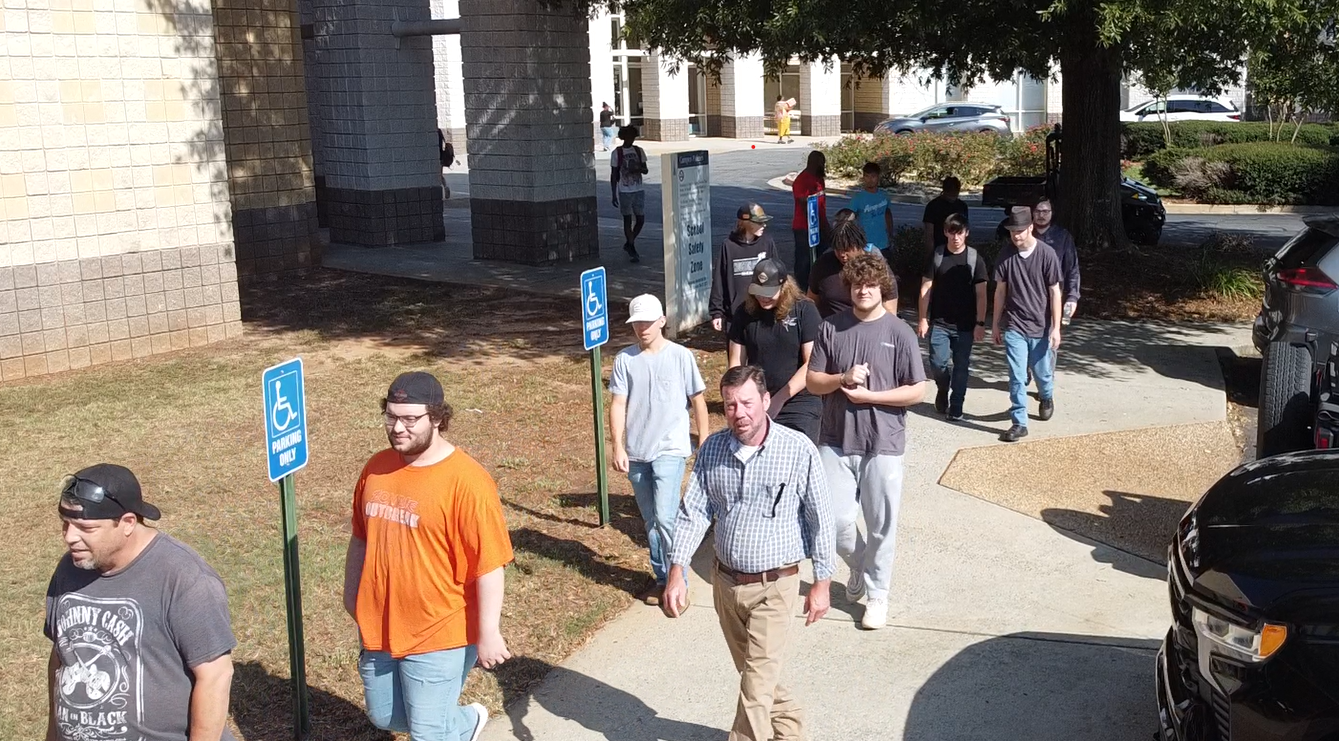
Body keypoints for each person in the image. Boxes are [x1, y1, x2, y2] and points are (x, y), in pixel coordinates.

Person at [663, 365, 835, 741]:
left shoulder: (797, 449)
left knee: (755, 690)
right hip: (725, 585)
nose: (739, 413)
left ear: (766, 401)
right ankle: (790, 733)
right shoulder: (713, 450)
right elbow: (693, 512)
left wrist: (822, 582)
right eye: (729, 405)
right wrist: (678, 571)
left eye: (746, 403)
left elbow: (821, 518)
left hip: (776, 585)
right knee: (758, 676)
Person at [344, 371, 513, 741]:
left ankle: (445, 727)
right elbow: (360, 537)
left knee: (428, 732)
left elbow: (489, 565)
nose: (398, 428)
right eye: (391, 416)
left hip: (441, 627)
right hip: (381, 624)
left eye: (409, 419)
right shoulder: (376, 468)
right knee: (386, 716)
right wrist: (352, 594)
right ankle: (466, 724)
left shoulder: (467, 482)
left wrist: (488, 631)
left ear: (437, 417)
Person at [46, 464, 237, 741]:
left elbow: (216, 676)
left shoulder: (184, 579)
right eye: (65, 524)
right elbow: (60, 656)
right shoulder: (70, 569)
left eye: (85, 527)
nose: (69, 537)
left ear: (127, 523)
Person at [807, 253, 927, 631]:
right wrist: (842, 379)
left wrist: (872, 397)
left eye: (871, 285)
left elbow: (918, 390)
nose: (864, 290)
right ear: (850, 288)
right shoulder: (831, 328)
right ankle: (859, 565)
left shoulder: (899, 332)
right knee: (835, 521)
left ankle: (878, 596)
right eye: (858, 285)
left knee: (881, 525)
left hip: (884, 442)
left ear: (882, 288)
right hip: (836, 439)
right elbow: (812, 382)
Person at [610, 294, 711, 606]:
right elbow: (618, 404)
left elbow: (698, 400)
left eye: (648, 321)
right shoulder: (625, 360)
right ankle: (662, 578)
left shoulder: (681, 356)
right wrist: (617, 446)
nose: (643, 328)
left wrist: (704, 438)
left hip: (671, 449)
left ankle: (679, 581)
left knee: (666, 517)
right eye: (637, 322)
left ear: (662, 321)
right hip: (637, 452)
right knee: (651, 520)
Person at [728, 258, 824, 442]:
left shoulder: (804, 310)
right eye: (758, 292)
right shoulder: (745, 312)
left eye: (769, 293)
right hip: (759, 400)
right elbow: (736, 363)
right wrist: (738, 399)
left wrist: (779, 399)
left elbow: (812, 362)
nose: (763, 298)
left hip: (799, 401)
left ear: (784, 286)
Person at [992, 207, 1063, 443]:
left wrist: (1056, 327)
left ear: (1031, 227)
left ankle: (1046, 395)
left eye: (1021, 230)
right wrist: (995, 324)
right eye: (1012, 231)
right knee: (1017, 374)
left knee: (1043, 374)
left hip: (1041, 326)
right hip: (1015, 325)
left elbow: (1055, 293)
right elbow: (1000, 291)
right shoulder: (1005, 255)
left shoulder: (1047, 254)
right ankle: (1019, 422)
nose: (1017, 236)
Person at [917, 214, 988, 421]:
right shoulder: (937, 255)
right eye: (952, 232)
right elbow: (925, 288)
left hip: (965, 325)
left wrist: (980, 323)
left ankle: (956, 404)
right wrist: (923, 318)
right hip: (939, 323)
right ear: (946, 232)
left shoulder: (975, 259)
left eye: (960, 232)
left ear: (966, 232)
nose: (956, 237)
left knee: (961, 367)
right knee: (938, 364)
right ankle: (942, 388)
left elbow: (982, 294)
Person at [711, 203, 779, 334]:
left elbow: (778, 276)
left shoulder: (767, 243)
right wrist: (716, 312)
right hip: (736, 314)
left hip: (763, 311)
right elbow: (719, 279)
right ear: (744, 223)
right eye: (759, 222)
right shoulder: (729, 246)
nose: (764, 225)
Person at [807, 218, 894, 319]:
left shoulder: (876, 267)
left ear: (859, 245)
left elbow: (890, 309)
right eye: (838, 249)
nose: (842, 254)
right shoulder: (823, 264)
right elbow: (811, 300)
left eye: (847, 249)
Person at [1031, 198, 1081, 325]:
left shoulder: (1063, 236)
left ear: (1052, 213)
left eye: (1046, 211)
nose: (1041, 215)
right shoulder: (1025, 235)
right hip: (1028, 298)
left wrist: (1072, 297)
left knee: (1049, 339)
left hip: (1053, 297)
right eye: (1037, 211)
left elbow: (1072, 269)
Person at [611, 125, 650, 263]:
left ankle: (630, 241)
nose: (631, 140)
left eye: (633, 137)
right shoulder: (617, 153)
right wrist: (614, 193)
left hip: (638, 189)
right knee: (627, 219)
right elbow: (614, 174)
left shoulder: (639, 151)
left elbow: (645, 170)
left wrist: (638, 168)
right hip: (625, 190)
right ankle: (632, 246)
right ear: (623, 137)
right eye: (629, 137)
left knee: (640, 219)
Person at [791, 150, 829, 290]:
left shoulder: (819, 179)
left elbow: (821, 205)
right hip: (803, 227)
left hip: (820, 224)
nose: (822, 165)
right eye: (820, 163)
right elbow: (804, 203)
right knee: (804, 261)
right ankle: (801, 289)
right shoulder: (801, 180)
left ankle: (816, 285)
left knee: (821, 256)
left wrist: (825, 225)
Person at [849, 162, 894, 253]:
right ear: (863, 177)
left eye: (873, 176)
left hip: (883, 244)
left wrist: (890, 234)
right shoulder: (858, 198)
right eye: (867, 176)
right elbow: (849, 219)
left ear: (878, 177)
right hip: (866, 245)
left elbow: (887, 214)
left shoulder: (884, 196)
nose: (870, 180)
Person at [921, 176, 970, 251]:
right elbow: (929, 234)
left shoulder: (933, 205)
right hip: (945, 248)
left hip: (947, 248)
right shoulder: (961, 206)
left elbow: (928, 234)